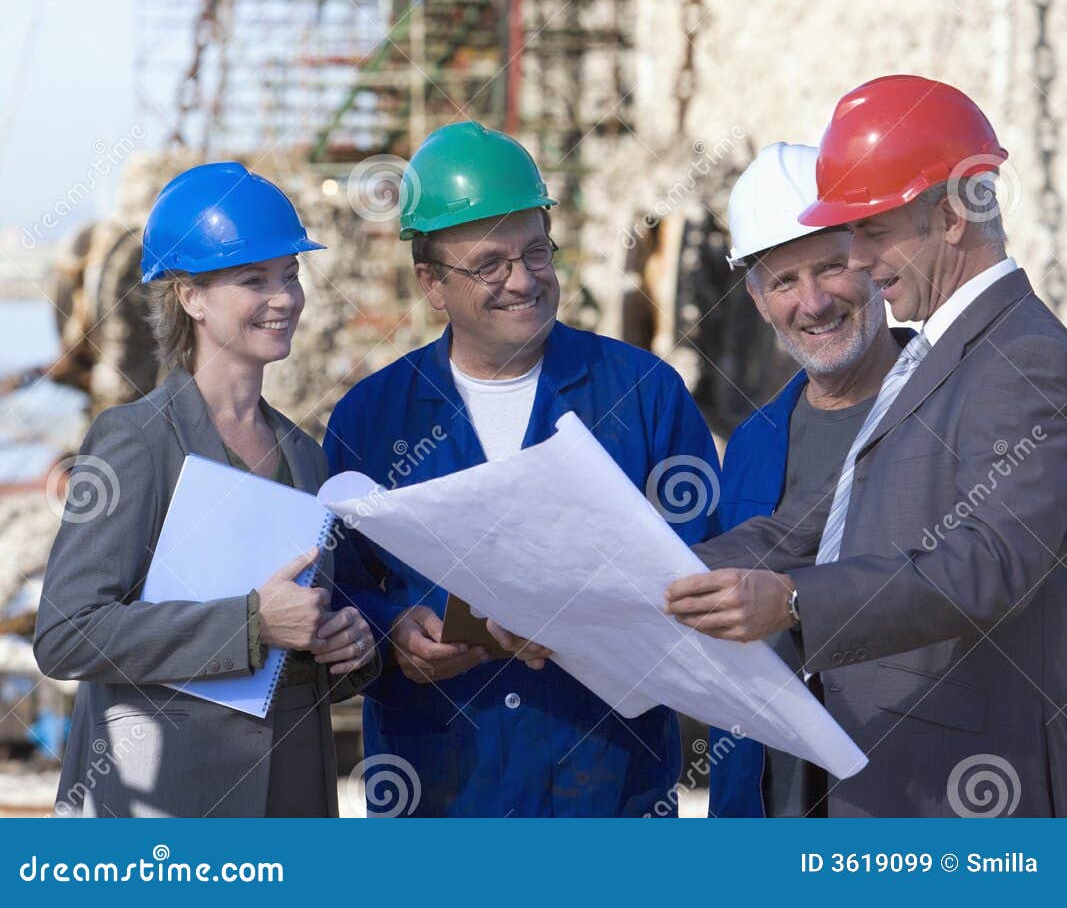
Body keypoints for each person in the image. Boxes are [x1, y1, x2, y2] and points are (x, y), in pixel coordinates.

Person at [668, 76, 1067, 818]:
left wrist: (790, 601)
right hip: (888, 788)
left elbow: (989, 564)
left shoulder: (1025, 356)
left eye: (873, 230)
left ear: (949, 216)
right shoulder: (941, 355)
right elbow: (824, 523)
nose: (857, 256)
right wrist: (637, 581)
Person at [325, 121, 720, 817]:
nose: (521, 279)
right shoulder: (372, 418)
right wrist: (394, 630)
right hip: (442, 791)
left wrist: (586, 610)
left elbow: (704, 571)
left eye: (535, 252)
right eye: (488, 264)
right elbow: (337, 585)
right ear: (432, 283)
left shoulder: (642, 392)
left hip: (608, 787)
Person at [35, 162, 378, 817]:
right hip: (163, 811)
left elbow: (299, 645)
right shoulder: (135, 441)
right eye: (254, 280)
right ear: (190, 297)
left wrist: (348, 648)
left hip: (290, 806)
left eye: (290, 275)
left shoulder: (305, 458)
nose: (284, 299)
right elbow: (66, 634)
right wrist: (251, 622)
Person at [708, 142, 908, 818]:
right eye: (784, 281)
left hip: (909, 798)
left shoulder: (949, 403)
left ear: (875, 265)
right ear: (758, 300)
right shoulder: (751, 445)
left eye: (831, 266)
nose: (813, 302)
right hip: (765, 803)